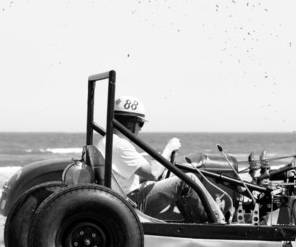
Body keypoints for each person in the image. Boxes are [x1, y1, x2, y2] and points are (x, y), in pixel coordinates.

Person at [95, 95, 226, 223]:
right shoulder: (119, 145)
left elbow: (128, 176)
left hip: (121, 200)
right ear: (130, 124)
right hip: (130, 204)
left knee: (173, 180)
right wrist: (169, 148)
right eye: (140, 124)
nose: (140, 129)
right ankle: (219, 222)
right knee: (188, 180)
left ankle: (198, 223)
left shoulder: (108, 141)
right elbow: (153, 173)